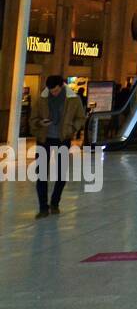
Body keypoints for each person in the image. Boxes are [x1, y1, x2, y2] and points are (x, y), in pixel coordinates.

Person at [30, 75, 86, 218]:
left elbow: (81, 117)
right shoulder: (42, 98)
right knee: (41, 174)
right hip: (44, 139)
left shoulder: (73, 99)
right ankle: (43, 207)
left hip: (62, 139)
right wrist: (40, 123)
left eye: (55, 91)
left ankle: (55, 203)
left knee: (61, 174)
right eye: (50, 91)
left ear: (62, 87)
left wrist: (72, 128)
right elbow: (33, 119)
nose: (53, 93)